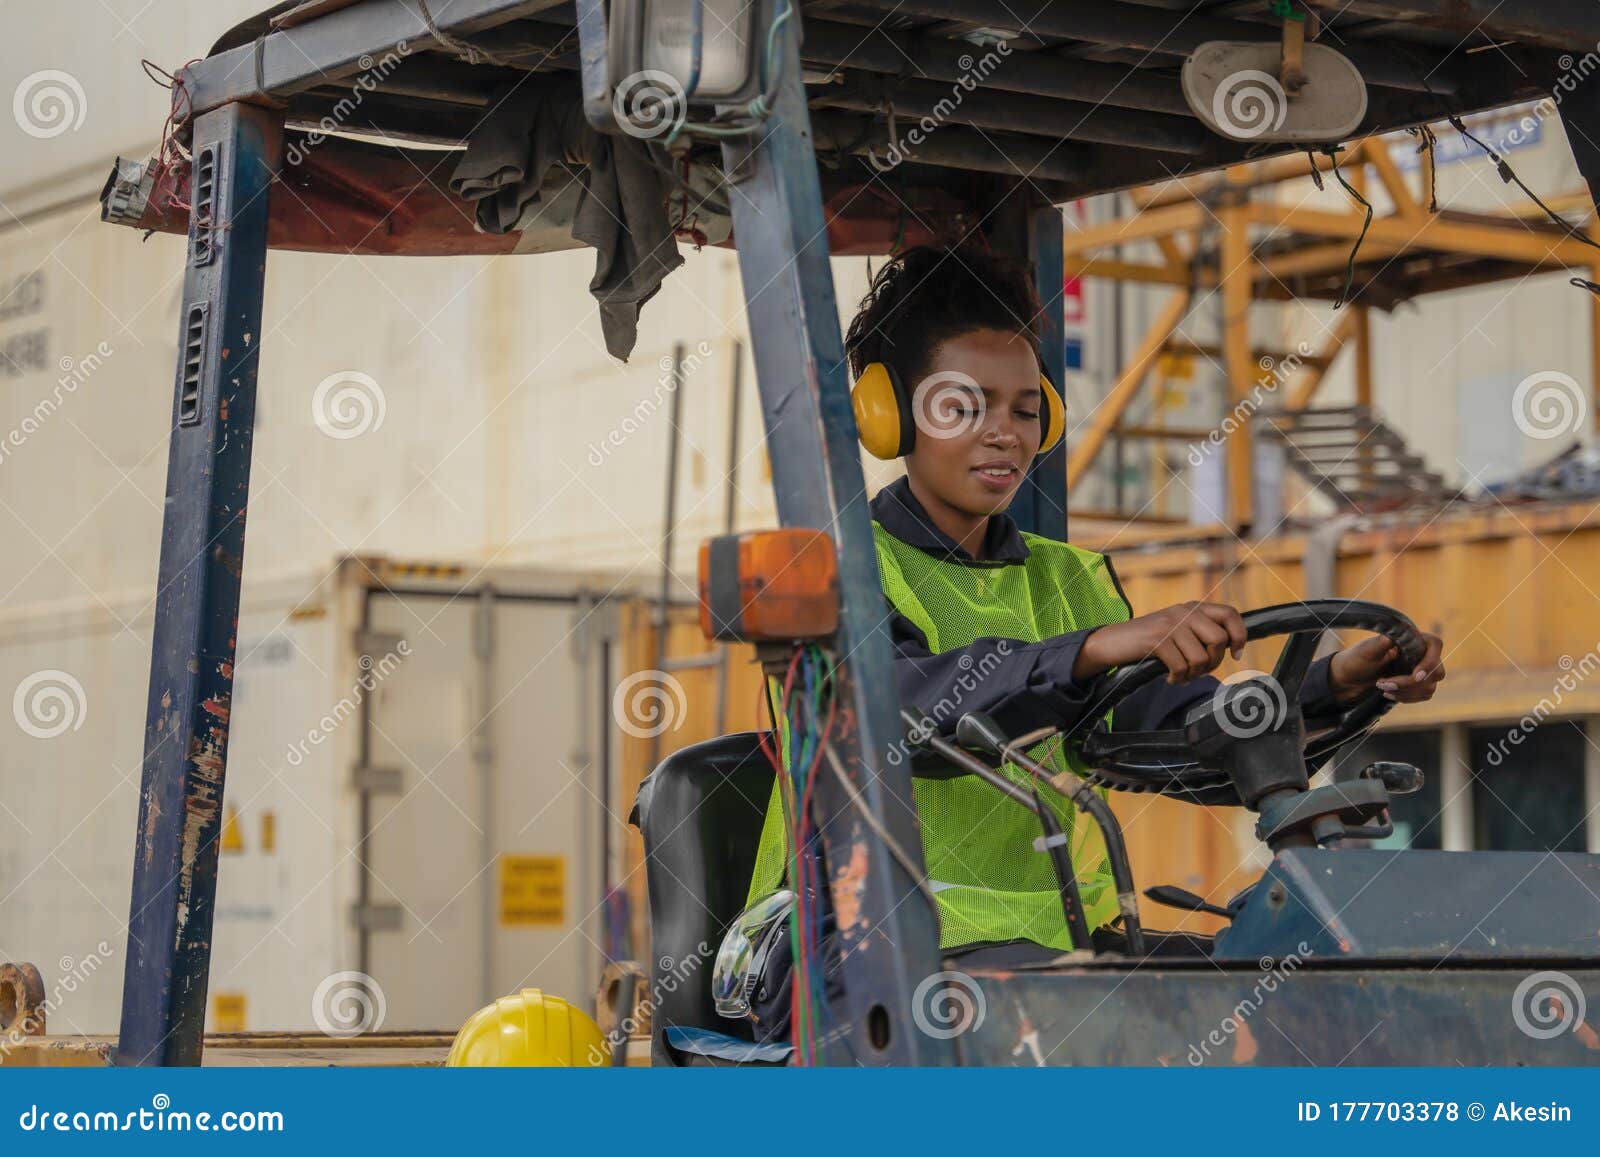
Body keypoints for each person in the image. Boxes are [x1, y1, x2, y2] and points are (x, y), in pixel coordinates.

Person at [736, 244, 1446, 1033]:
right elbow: (903, 711)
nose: (1003, 433)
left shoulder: (1066, 579)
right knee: (1112, 1029)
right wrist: (1091, 648)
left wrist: (1335, 683)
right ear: (887, 413)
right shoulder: (837, 568)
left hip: (1049, 945)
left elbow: (1171, 732)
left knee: (1311, 997)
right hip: (851, 947)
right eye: (963, 407)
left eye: (1022, 408)